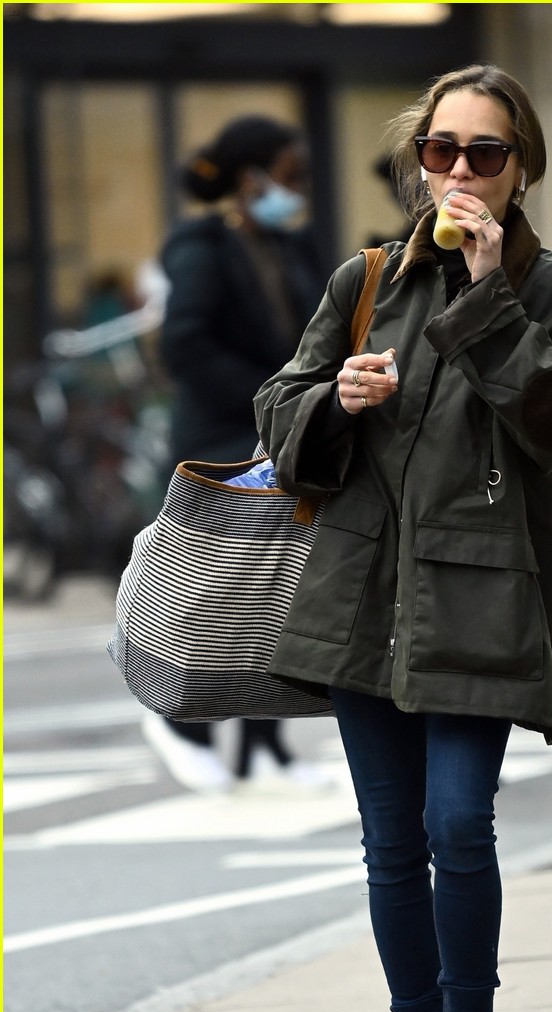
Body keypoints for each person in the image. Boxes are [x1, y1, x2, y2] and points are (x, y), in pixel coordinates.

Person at [255, 64, 552, 1012]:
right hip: (362, 595)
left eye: (485, 154)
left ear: (524, 168)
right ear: (419, 160)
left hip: (486, 597)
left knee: (459, 826)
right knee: (388, 846)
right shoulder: (365, 275)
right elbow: (280, 403)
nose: (459, 173)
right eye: (441, 151)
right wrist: (335, 401)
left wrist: (484, 296)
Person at [143, 114, 329, 794]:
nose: (298, 188)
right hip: (224, 439)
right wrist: (267, 396)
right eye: (289, 175)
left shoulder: (289, 243)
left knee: (284, 594)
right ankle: (183, 722)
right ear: (251, 178)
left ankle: (263, 746)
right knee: (229, 598)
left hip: (284, 436)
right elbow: (183, 345)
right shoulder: (200, 246)